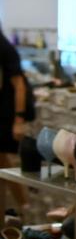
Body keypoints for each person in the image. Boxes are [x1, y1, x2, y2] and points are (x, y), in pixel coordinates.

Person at [1, 21, 28, 209]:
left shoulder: (5, 48)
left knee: (2, 161)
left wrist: (19, 119)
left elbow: (19, 85)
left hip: (4, 111)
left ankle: (22, 204)